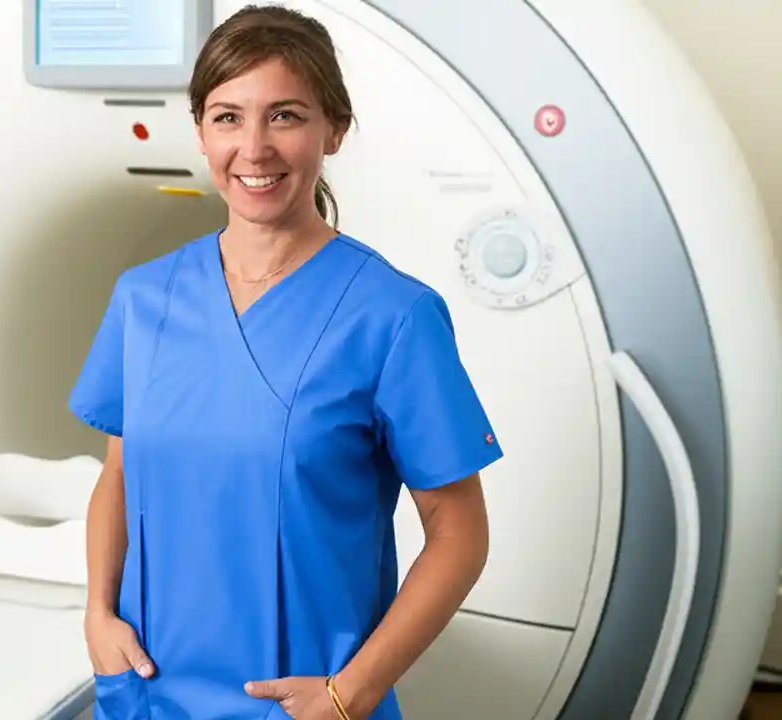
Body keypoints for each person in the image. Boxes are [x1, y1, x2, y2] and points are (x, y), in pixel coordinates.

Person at [70, 6, 504, 719]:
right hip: (146, 688)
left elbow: (460, 537)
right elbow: (119, 473)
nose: (254, 148)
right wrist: (96, 613)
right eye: (228, 117)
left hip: (304, 703)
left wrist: (349, 694)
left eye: (286, 116)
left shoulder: (392, 316)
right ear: (202, 132)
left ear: (334, 129)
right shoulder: (144, 298)